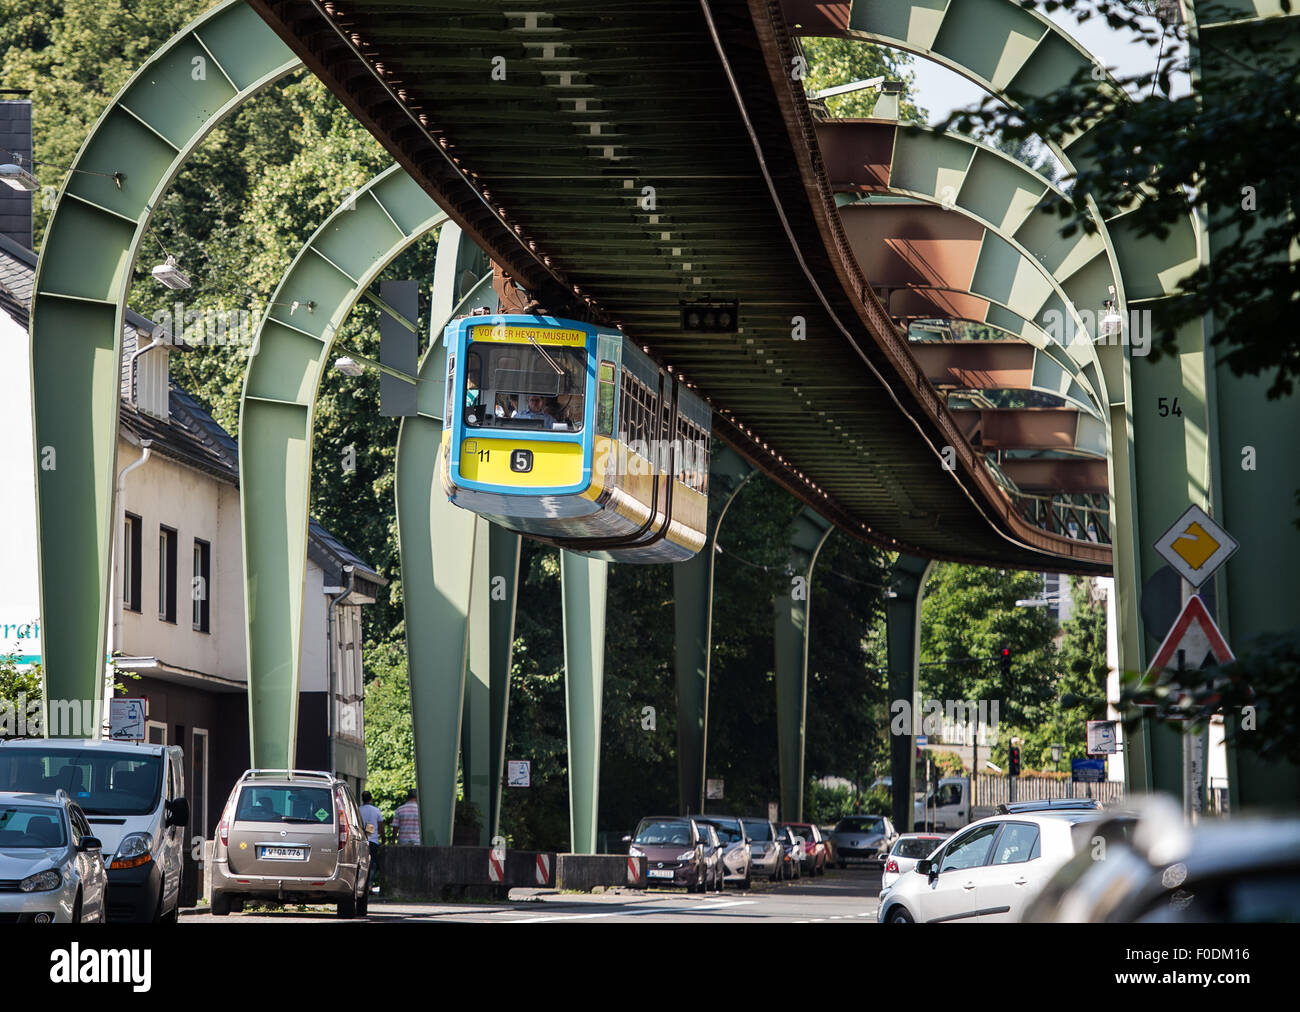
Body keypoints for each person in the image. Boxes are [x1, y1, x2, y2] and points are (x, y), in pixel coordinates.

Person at [359, 791, 384, 893]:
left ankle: (361, 885)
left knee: (361, 864)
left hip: (361, 841)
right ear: (371, 799)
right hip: (373, 841)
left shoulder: (358, 810)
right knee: (372, 864)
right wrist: (383, 839)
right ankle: (369, 885)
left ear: (362, 799)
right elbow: (381, 827)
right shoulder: (376, 810)